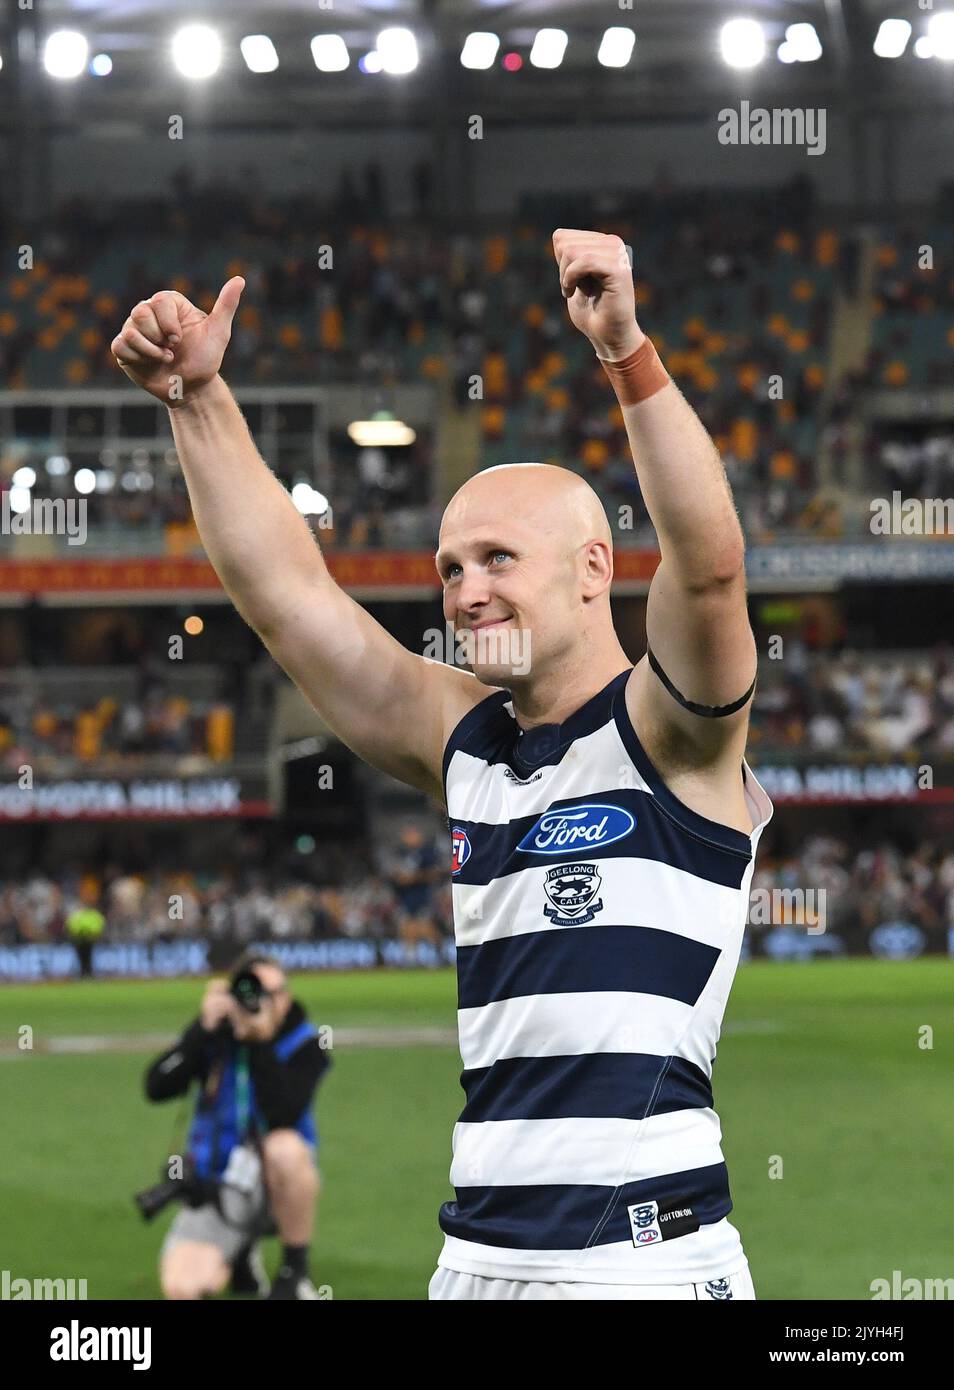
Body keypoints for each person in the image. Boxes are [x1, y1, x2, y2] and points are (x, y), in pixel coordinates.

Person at [112, 225, 773, 1300]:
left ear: (593, 568)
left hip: (641, 1263)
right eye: (450, 568)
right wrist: (198, 399)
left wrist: (626, 351)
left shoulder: (671, 732)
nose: (465, 592)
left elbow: (710, 573)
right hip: (474, 1261)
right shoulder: (463, 742)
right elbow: (290, 598)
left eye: (498, 560)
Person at [144, 953, 330, 1299]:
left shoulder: (307, 1043)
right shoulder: (217, 1037)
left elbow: (283, 1114)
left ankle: (294, 1273)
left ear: (286, 998)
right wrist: (201, 1030)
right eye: (251, 990)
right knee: (184, 1289)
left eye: (271, 992)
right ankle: (240, 1254)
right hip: (217, 1183)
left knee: (286, 1148)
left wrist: (259, 1043)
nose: (261, 1001)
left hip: (277, 1186)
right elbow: (156, 1087)